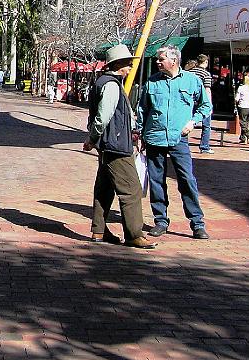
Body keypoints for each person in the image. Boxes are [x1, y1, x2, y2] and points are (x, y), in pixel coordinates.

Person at [84, 44, 155, 250]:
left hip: (108, 145)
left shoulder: (104, 82)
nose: (131, 67)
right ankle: (134, 234)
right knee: (131, 190)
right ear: (119, 65)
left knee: (104, 188)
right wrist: (92, 138)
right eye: (128, 63)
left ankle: (98, 230)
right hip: (115, 146)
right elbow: (103, 117)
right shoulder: (112, 85)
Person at [137, 45, 211, 239]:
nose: (158, 62)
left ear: (174, 60)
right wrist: (139, 133)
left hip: (179, 139)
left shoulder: (192, 81)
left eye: (161, 59)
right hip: (154, 137)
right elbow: (142, 110)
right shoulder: (152, 82)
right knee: (156, 181)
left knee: (187, 179)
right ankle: (160, 220)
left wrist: (193, 122)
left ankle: (197, 223)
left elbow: (206, 106)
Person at [190, 54, 214, 155]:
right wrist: (209, 105)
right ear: (206, 62)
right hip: (201, 101)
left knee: (184, 122)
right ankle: (204, 147)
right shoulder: (206, 74)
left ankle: (178, 144)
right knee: (206, 125)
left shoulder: (189, 72)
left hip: (189, 101)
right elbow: (207, 90)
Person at [235, 74, 249, 144]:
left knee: (242, 122)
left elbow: (236, 98)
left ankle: (248, 134)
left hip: (243, 106)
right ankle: (243, 138)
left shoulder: (241, 88)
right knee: (247, 122)